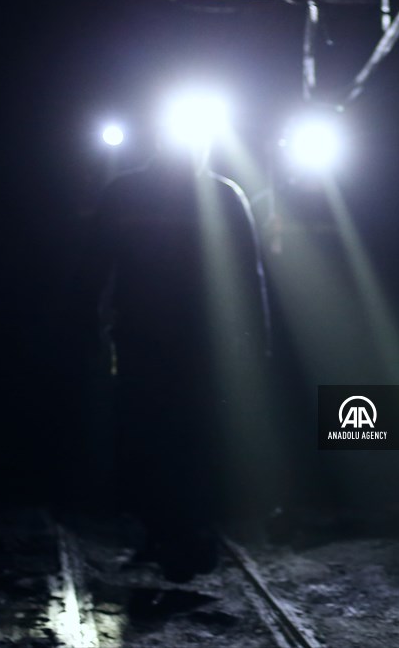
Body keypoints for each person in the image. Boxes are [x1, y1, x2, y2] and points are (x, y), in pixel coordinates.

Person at [93, 135, 271, 582]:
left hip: (167, 343)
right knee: (173, 436)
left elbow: (248, 277)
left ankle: (176, 531)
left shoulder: (131, 192)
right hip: (174, 343)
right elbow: (250, 278)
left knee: (169, 435)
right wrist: (255, 346)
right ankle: (171, 531)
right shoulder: (219, 196)